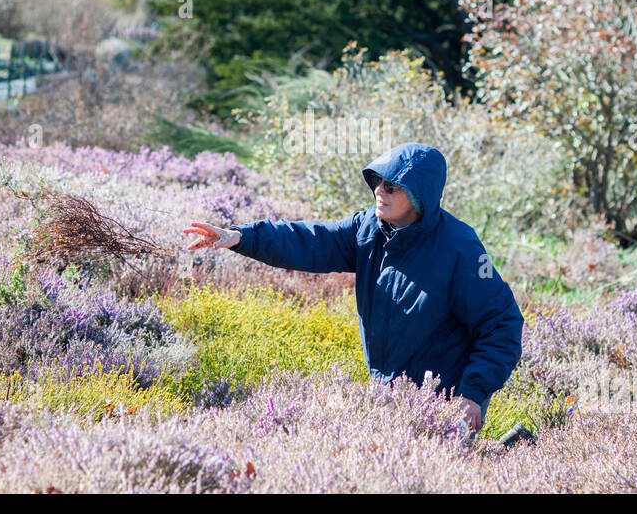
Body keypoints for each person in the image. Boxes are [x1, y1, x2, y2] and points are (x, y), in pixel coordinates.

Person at [182, 142, 524, 439]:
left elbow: (502, 324)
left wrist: (472, 393)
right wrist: (241, 237)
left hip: (446, 396)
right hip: (387, 391)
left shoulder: (460, 247)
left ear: (420, 194)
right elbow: (309, 239)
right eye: (377, 182)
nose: (380, 191)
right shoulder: (367, 229)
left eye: (392, 186)